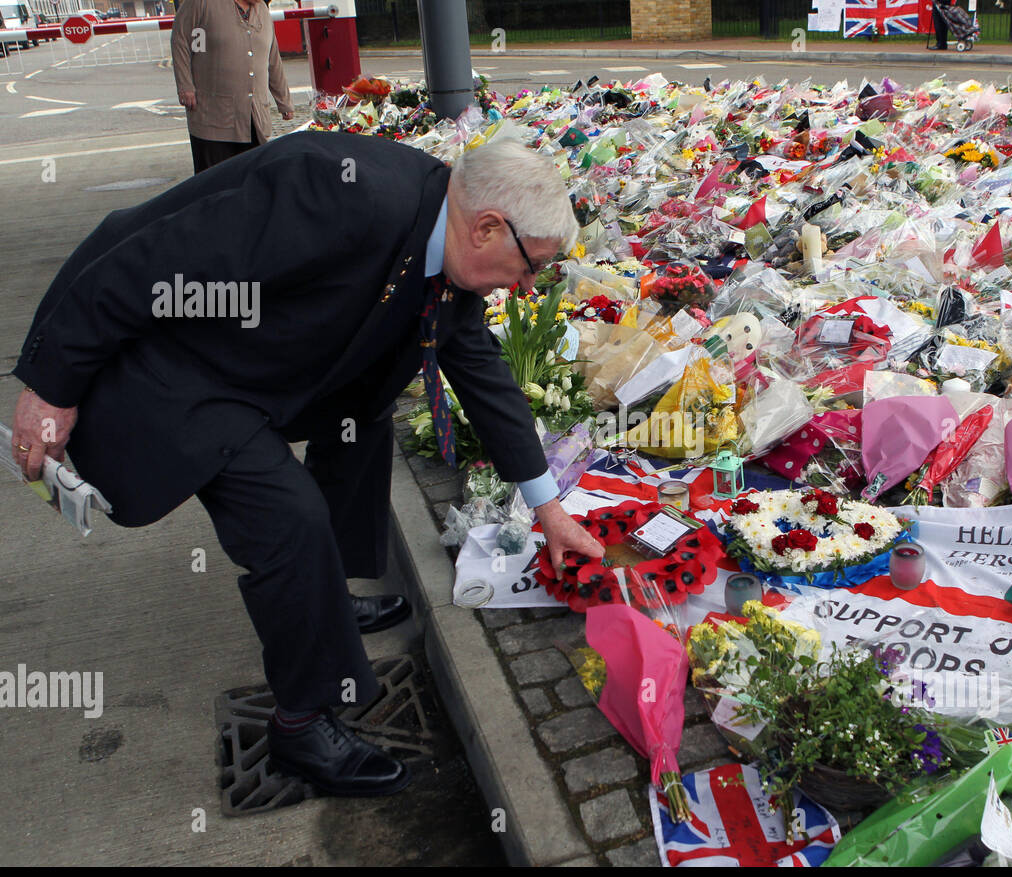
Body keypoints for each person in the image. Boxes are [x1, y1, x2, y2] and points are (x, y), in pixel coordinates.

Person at [9, 131, 605, 797]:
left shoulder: (450, 235)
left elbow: (482, 375)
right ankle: (302, 724)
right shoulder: (340, 193)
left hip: (264, 360)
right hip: (182, 365)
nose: (527, 287)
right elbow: (151, 260)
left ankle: (328, 600)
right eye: (530, 266)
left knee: (363, 420)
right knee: (289, 520)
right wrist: (51, 387)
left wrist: (548, 507)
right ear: (489, 225)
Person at [171, 0, 294, 174]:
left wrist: (284, 101)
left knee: (251, 182)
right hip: (213, 118)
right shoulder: (201, 4)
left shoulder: (263, 11)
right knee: (215, 185)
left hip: (254, 117)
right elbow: (180, 40)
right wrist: (185, 86)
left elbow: (273, 59)